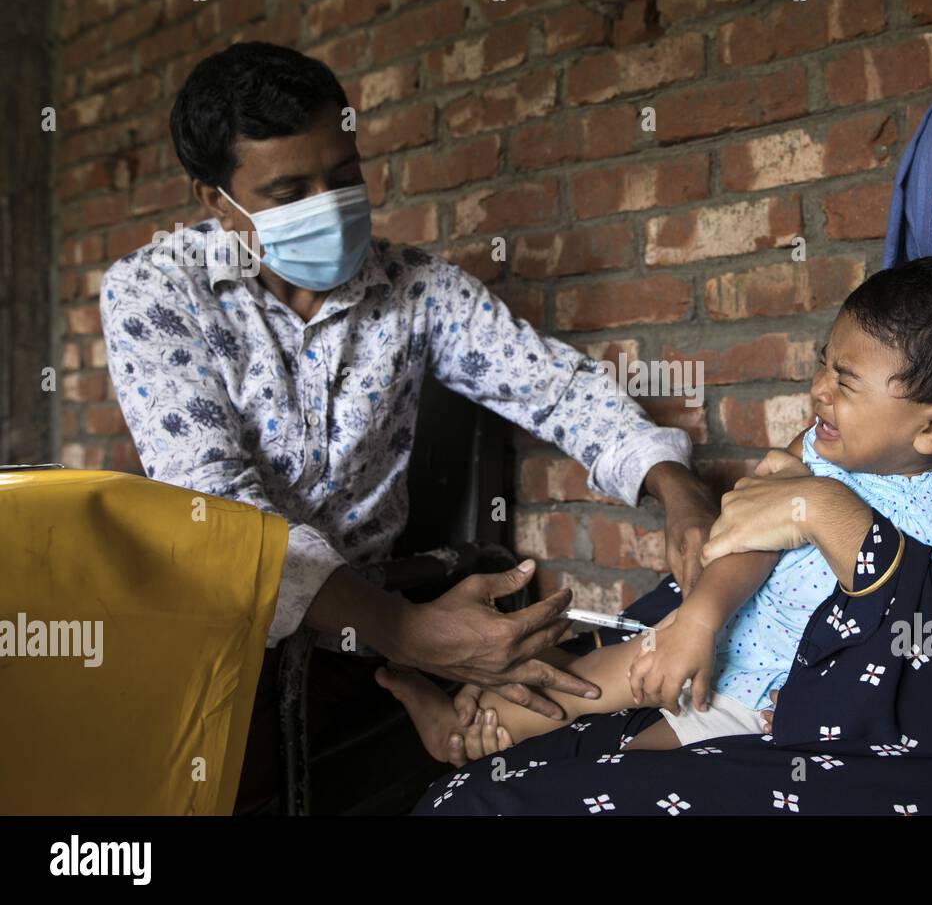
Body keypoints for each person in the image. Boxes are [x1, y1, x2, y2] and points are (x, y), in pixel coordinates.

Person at [410, 63, 932, 816]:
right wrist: (616, 652)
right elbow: (761, 535)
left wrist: (825, 511)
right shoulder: (886, 352)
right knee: (492, 772)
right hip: (794, 683)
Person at [97, 41, 720, 759]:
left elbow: (555, 387)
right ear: (217, 200)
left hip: (361, 629)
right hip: (214, 627)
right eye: (289, 193)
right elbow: (215, 510)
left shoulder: (414, 288)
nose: (327, 208)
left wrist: (674, 487)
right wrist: (412, 635)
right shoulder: (158, 290)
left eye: (344, 175)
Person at [386, 257, 932, 760]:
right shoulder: (814, 452)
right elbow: (745, 540)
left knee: (636, 761)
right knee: (588, 680)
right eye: (823, 364)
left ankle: (497, 730)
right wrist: (697, 619)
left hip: (766, 699)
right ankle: (463, 723)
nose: (816, 390)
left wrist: (842, 697)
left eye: (844, 381)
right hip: (722, 631)